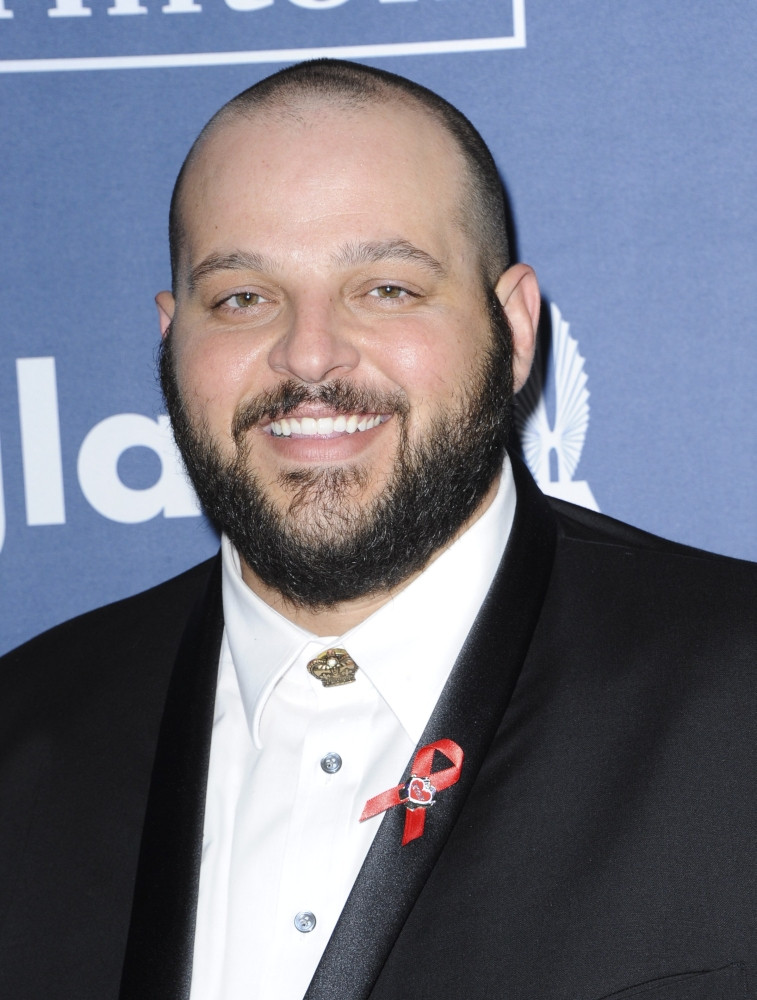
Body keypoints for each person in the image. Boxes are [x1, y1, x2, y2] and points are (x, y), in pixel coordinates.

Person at [1, 58, 755, 1000]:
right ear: (171, 338)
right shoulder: (22, 742)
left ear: (514, 329)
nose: (309, 353)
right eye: (242, 297)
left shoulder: (736, 697)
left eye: (386, 288)